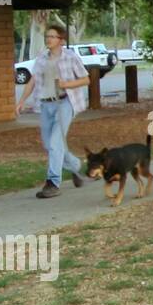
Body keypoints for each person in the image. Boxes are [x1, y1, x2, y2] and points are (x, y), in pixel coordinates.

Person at [15, 22, 92, 198]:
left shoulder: (70, 57)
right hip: (46, 104)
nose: (48, 39)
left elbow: (85, 79)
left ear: (61, 40)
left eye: (52, 36)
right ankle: (75, 166)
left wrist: (66, 84)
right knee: (49, 144)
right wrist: (21, 101)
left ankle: (52, 183)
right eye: (47, 36)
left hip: (65, 103)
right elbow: (32, 81)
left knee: (56, 143)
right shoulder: (42, 57)